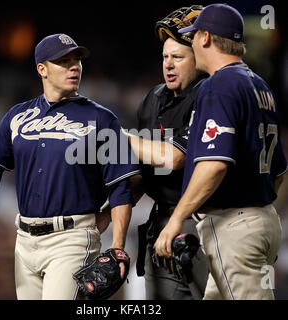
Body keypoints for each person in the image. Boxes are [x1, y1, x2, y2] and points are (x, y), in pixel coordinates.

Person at [0, 33, 140, 300]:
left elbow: (120, 186)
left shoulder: (101, 118)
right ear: (42, 69)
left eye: (76, 60)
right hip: (24, 239)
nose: (74, 67)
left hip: (72, 238)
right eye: (63, 61)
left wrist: (117, 245)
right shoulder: (17, 117)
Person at [155, 3, 288, 300]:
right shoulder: (259, 85)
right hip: (262, 219)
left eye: (193, 37)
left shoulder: (219, 85)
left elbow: (214, 164)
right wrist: (257, 214)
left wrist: (177, 218)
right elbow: (279, 171)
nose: (191, 44)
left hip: (234, 226)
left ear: (204, 37)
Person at [124, 6, 208, 300]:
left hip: (205, 223)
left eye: (178, 57)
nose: (168, 65)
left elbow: (173, 158)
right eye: (165, 57)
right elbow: (148, 170)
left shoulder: (212, 94)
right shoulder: (153, 99)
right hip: (161, 223)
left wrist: (120, 138)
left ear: (199, 56)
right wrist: (109, 212)